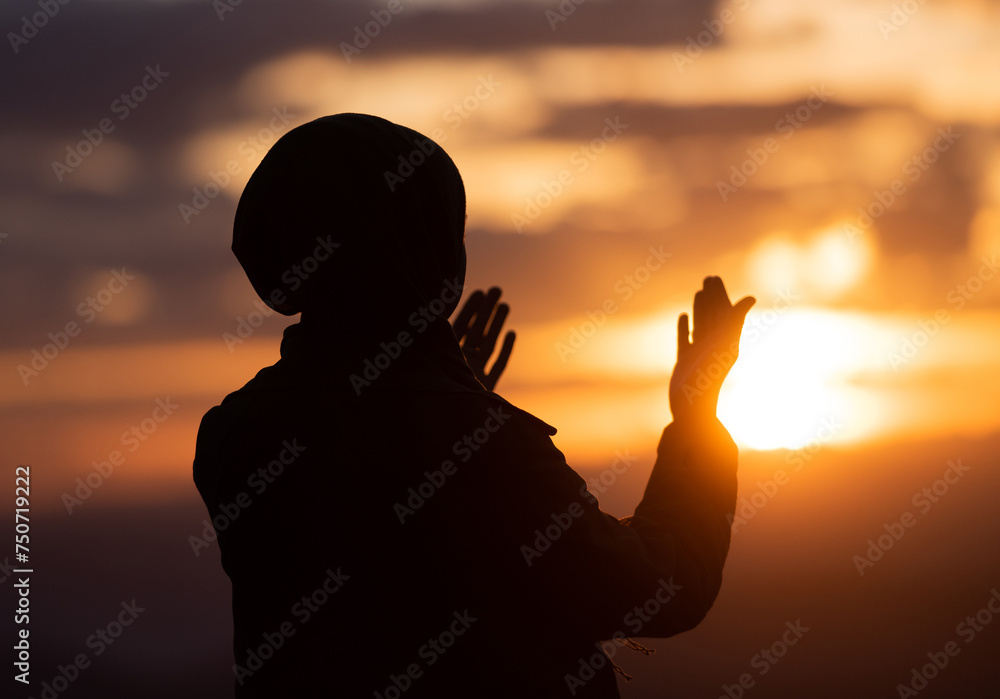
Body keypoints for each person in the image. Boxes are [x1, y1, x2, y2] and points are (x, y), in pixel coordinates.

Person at [193, 113, 754, 698]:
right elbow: (656, 590)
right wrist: (695, 421)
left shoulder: (233, 432)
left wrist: (452, 394)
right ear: (420, 246)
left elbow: (384, 554)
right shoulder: (485, 445)